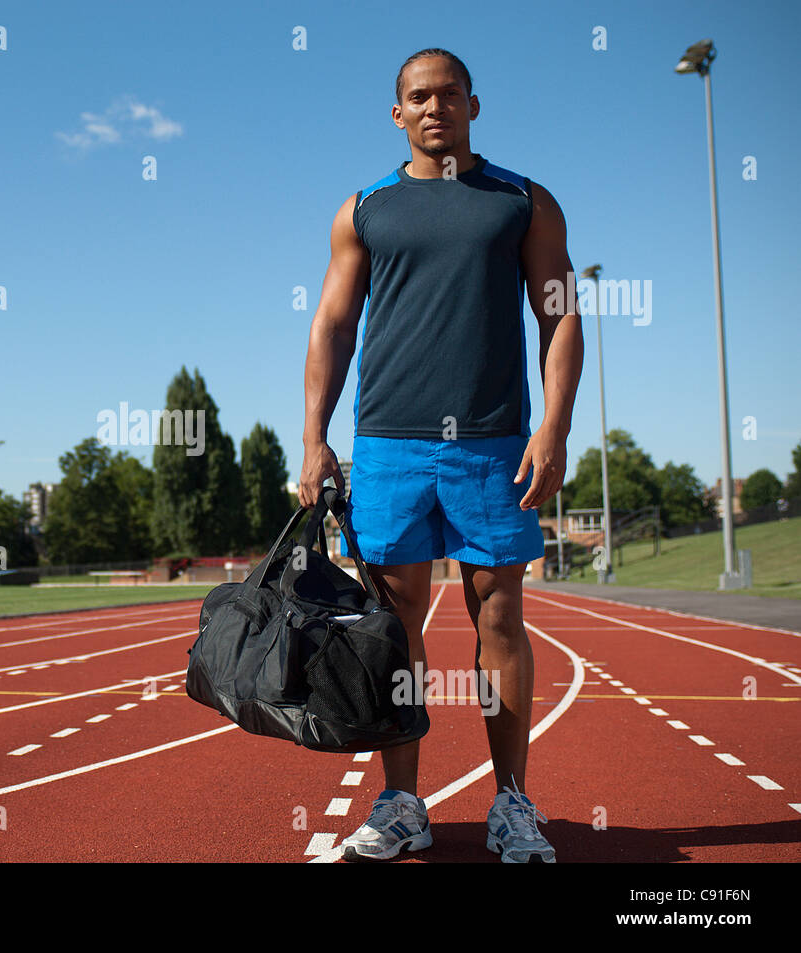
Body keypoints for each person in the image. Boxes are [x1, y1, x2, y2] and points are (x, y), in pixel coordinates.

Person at [298, 48, 584, 862]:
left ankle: (512, 804)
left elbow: (559, 315)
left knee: (498, 614)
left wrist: (554, 426)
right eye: (419, 97)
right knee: (394, 625)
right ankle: (402, 801)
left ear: (473, 105)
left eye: (449, 95)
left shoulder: (523, 203)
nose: (435, 108)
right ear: (398, 114)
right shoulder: (364, 209)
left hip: (495, 446)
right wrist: (316, 436)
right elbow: (331, 326)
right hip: (388, 444)